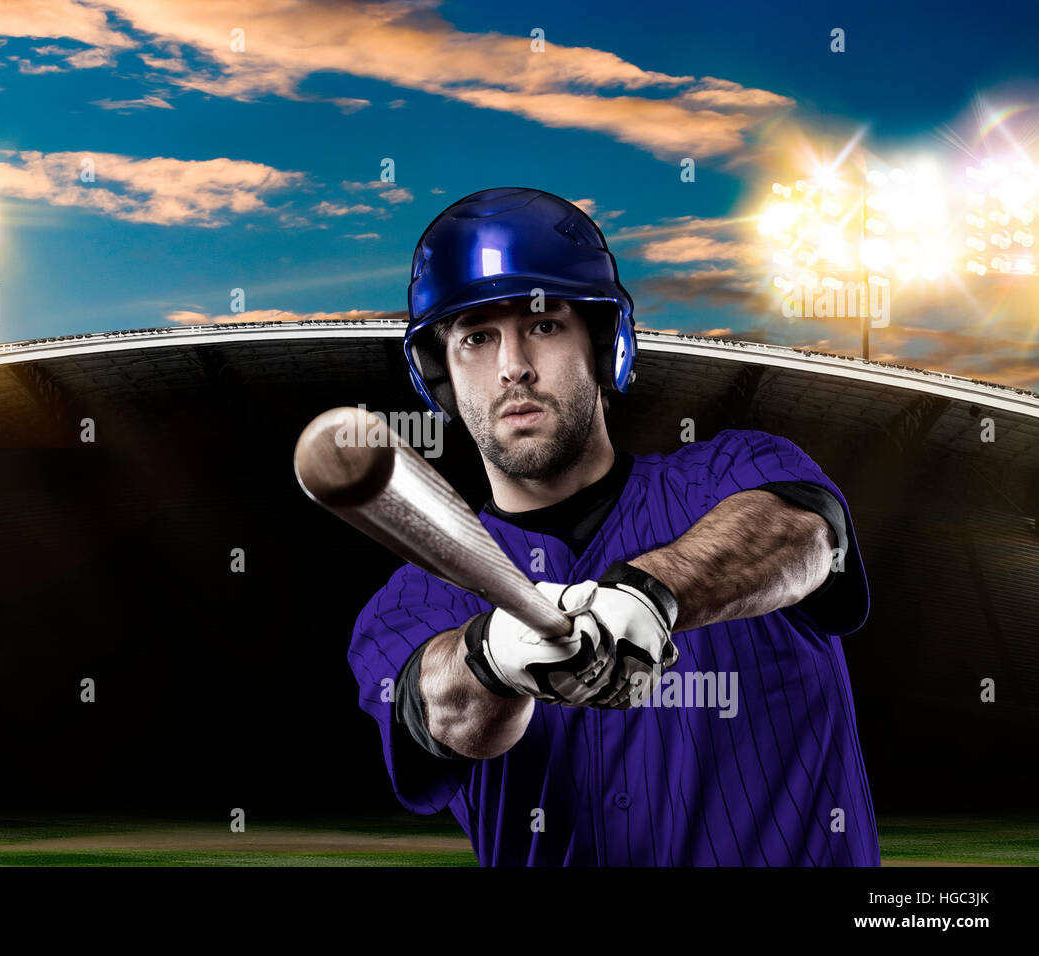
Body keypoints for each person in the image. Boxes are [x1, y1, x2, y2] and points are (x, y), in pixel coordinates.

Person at [347, 187, 878, 866]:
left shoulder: (737, 468)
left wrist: (648, 594)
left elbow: (799, 538)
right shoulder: (413, 601)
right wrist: (497, 656)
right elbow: (444, 710)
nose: (513, 365)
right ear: (440, 375)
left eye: (543, 325)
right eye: (477, 336)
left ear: (603, 344)